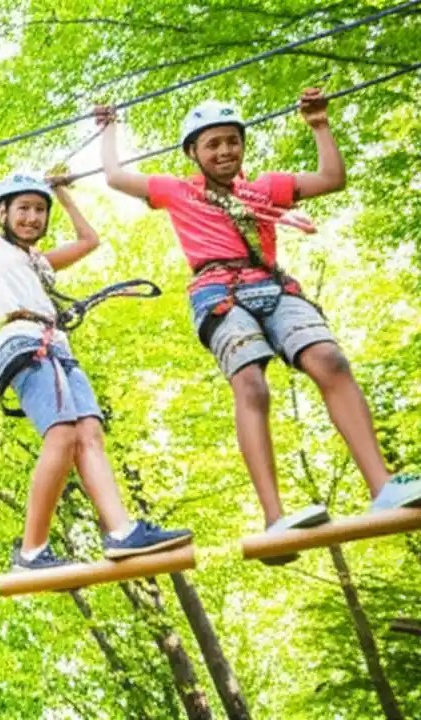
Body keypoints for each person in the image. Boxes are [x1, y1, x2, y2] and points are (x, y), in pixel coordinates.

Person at [96, 90, 420, 564]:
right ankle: (274, 517)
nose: (225, 151)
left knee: (329, 359)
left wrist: (319, 124)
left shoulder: (264, 189)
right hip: (216, 291)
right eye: (213, 145)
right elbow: (115, 176)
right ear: (193, 154)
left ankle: (383, 484)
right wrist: (109, 129)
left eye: (232, 142)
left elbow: (332, 178)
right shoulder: (177, 190)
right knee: (251, 383)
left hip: (273, 286)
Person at [0, 174, 192, 572]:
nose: (32, 217)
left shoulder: (39, 261)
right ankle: (31, 550)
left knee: (89, 433)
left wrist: (63, 194)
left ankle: (121, 531)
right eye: (23, 208)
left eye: (40, 210)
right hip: (21, 341)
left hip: (57, 345)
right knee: (62, 432)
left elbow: (89, 241)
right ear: (1, 213)